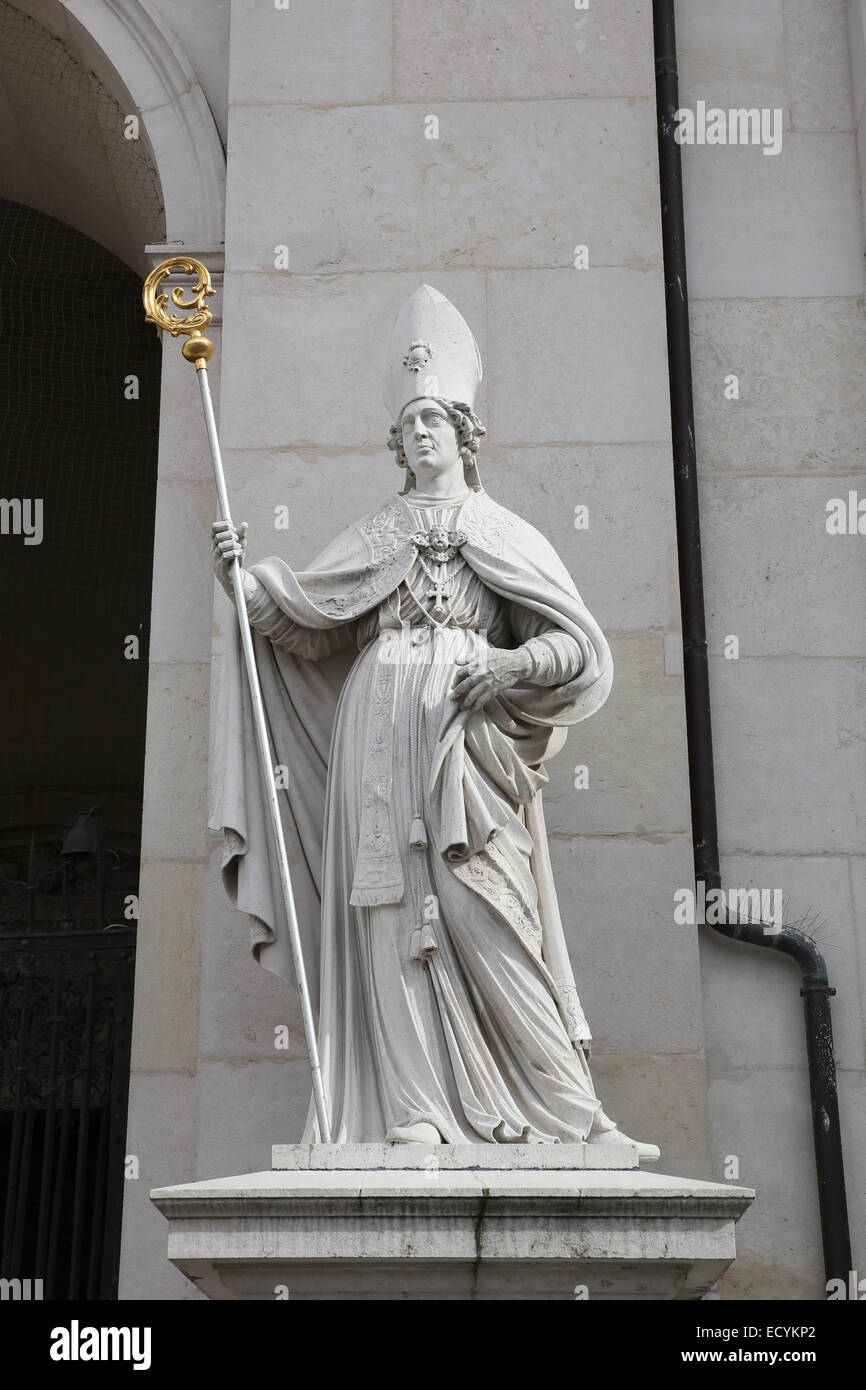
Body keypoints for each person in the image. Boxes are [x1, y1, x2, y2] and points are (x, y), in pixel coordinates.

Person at [209, 285, 657, 1157]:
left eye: (434, 423)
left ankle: (572, 1114)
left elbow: (575, 648)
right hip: (375, 740)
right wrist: (250, 586)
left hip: (468, 750)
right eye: (407, 425)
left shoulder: (505, 532)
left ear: (463, 435)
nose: (419, 436)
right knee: (388, 913)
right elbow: (309, 624)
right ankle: (410, 1109)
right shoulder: (376, 531)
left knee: (491, 911)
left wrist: (508, 663)